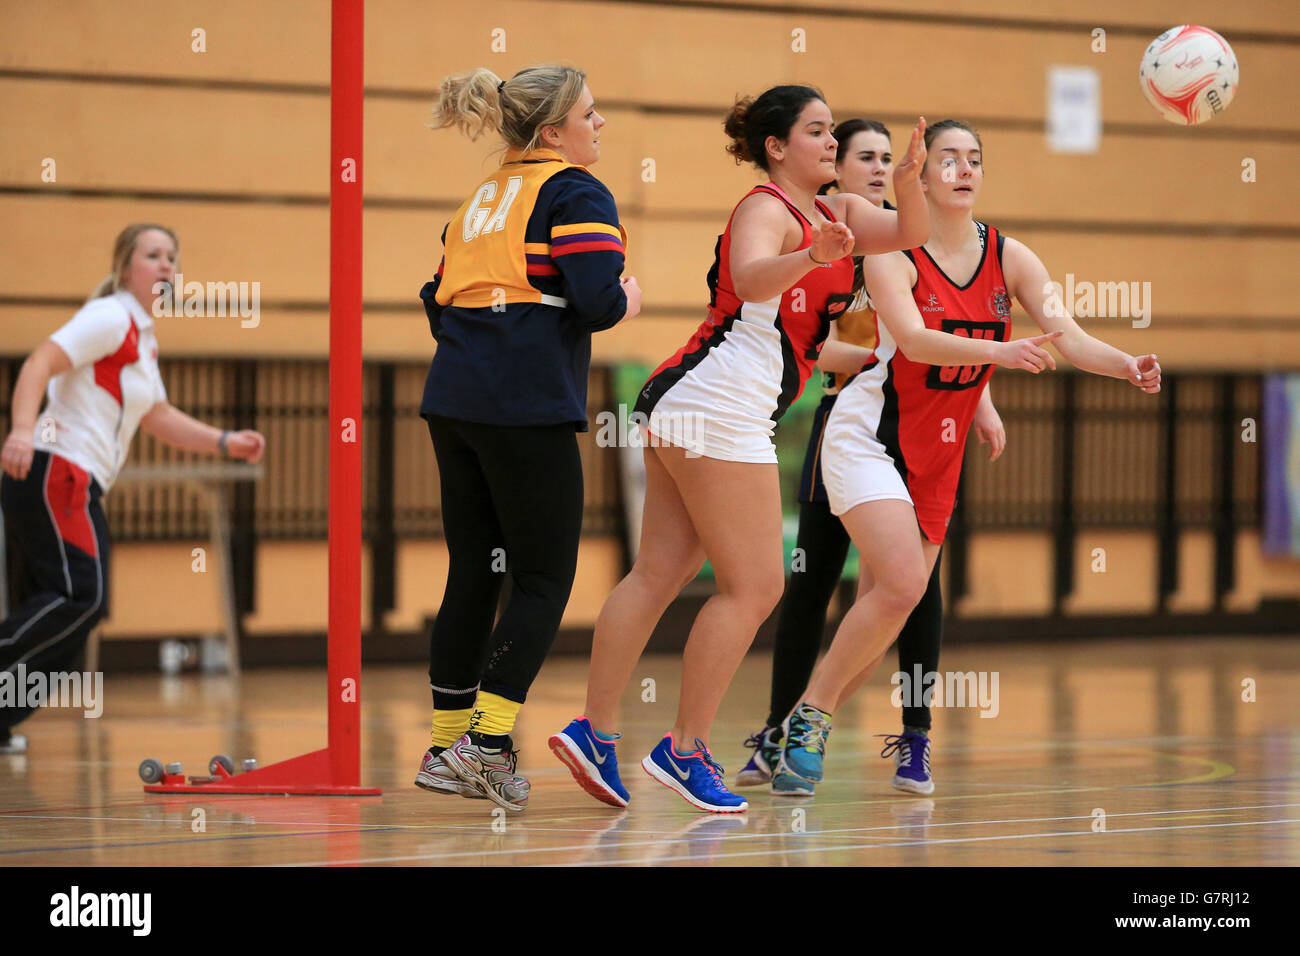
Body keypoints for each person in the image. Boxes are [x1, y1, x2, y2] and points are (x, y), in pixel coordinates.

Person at [551, 85, 931, 814]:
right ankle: (683, 748)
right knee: (756, 587)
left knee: (659, 571)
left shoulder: (840, 212)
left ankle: (594, 731)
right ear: (778, 147)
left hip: (687, 400)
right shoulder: (767, 208)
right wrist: (809, 256)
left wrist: (909, 182)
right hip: (719, 404)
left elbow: (909, 235)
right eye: (817, 132)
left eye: (832, 132)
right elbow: (752, 275)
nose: (831, 142)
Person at [773, 120, 1162, 793]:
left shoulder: (1011, 257)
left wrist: (1126, 365)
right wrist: (996, 354)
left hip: (938, 453)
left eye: (974, 159)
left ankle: (813, 715)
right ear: (919, 179)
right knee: (899, 583)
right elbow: (917, 342)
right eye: (946, 159)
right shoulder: (893, 253)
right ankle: (809, 721)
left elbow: (1066, 334)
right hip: (868, 436)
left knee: (893, 603)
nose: (963, 170)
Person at [734, 119, 1006, 798]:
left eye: (890, 158)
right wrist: (863, 351)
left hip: (922, 426)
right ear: (838, 170)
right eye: (867, 157)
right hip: (850, 425)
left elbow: (962, 322)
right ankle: (785, 725)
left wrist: (983, 398)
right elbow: (812, 346)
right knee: (814, 583)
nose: (882, 169)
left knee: (911, 588)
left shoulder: (905, 241)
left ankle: (914, 736)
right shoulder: (826, 246)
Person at [414, 64, 639, 813]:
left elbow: (435, 299)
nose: (599, 124)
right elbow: (598, 299)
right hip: (525, 404)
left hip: (454, 399)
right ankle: (487, 740)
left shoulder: (481, 197)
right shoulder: (573, 190)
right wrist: (627, 299)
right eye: (590, 112)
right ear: (552, 132)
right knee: (543, 579)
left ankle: (450, 745)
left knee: (473, 572)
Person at [0, 223, 266, 754]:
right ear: (125, 269)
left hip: (80, 483)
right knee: (83, 594)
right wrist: (24, 431)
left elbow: (159, 416)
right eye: (153, 255)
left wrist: (223, 440)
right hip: (57, 469)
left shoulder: (141, 338)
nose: (167, 265)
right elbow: (38, 364)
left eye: (173, 257)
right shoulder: (110, 316)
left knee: (84, 607)